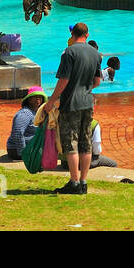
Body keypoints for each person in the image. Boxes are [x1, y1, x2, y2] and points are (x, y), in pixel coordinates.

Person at [45, 22, 102, 194]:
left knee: (71, 143)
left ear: (73, 35)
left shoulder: (68, 52)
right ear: (87, 34)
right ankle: (84, 182)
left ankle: (74, 181)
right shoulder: (96, 54)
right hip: (87, 102)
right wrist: (85, 89)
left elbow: (64, 80)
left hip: (71, 103)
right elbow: (97, 81)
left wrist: (52, 100)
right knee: (86, 143)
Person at [6, 87, 46, 158]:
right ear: (29, 99)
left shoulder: (37, 113)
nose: (38, 98)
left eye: (40, 97)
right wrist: (24, 154)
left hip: (30, 146)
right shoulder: (24, 114)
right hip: (16, 150)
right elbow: (17, 134)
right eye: (35, 96)